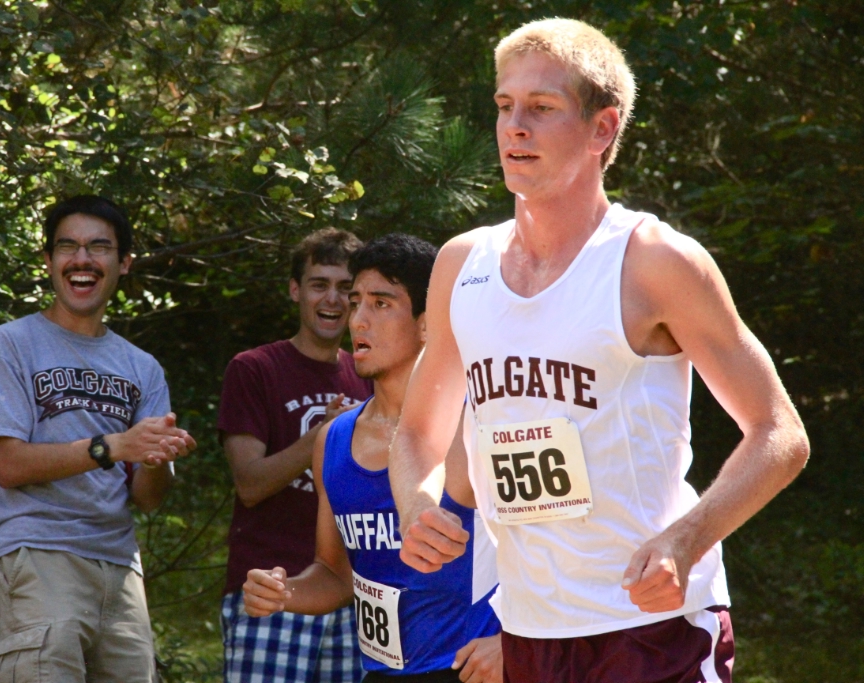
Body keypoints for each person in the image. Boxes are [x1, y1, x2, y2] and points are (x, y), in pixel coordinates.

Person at [388, 18, 810, 683]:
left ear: (602, 129)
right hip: (529, 628)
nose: (513, 126)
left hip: (650, 627)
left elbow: (780, 433)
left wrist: (686, 537)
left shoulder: (654, 262)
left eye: (542, 108)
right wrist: (416, 503)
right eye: (504, 106)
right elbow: (416, 432)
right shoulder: (461, 265)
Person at [243, 234, 503, 683]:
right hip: (380, 673)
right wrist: (284, 591)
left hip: (469, 668)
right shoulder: (333, 440)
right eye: (356, 301)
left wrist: (515, 642)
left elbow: (558, 550)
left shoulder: (480, 427)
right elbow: (336, 574)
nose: (357, 319)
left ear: (428, 323)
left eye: (381, 304)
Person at [0, 195, 195, 683]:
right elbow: (9, 466)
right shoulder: (11, 343)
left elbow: (148, 498)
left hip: (121, 569)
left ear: (123, 263)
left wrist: (158, 457)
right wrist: (113, 446)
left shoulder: (142, 367)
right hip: (39, 553)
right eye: (68, 246)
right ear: (48, 261)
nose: (82, 259)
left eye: (99, 247)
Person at [218, 227, 372, 683]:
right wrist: (325, 435)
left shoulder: (370, 375)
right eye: (319, 284)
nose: (333, 299)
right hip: (270, 589)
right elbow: (249, 484)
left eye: (347, 289)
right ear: (294, 290)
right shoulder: (255, 369)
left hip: (350, 596)